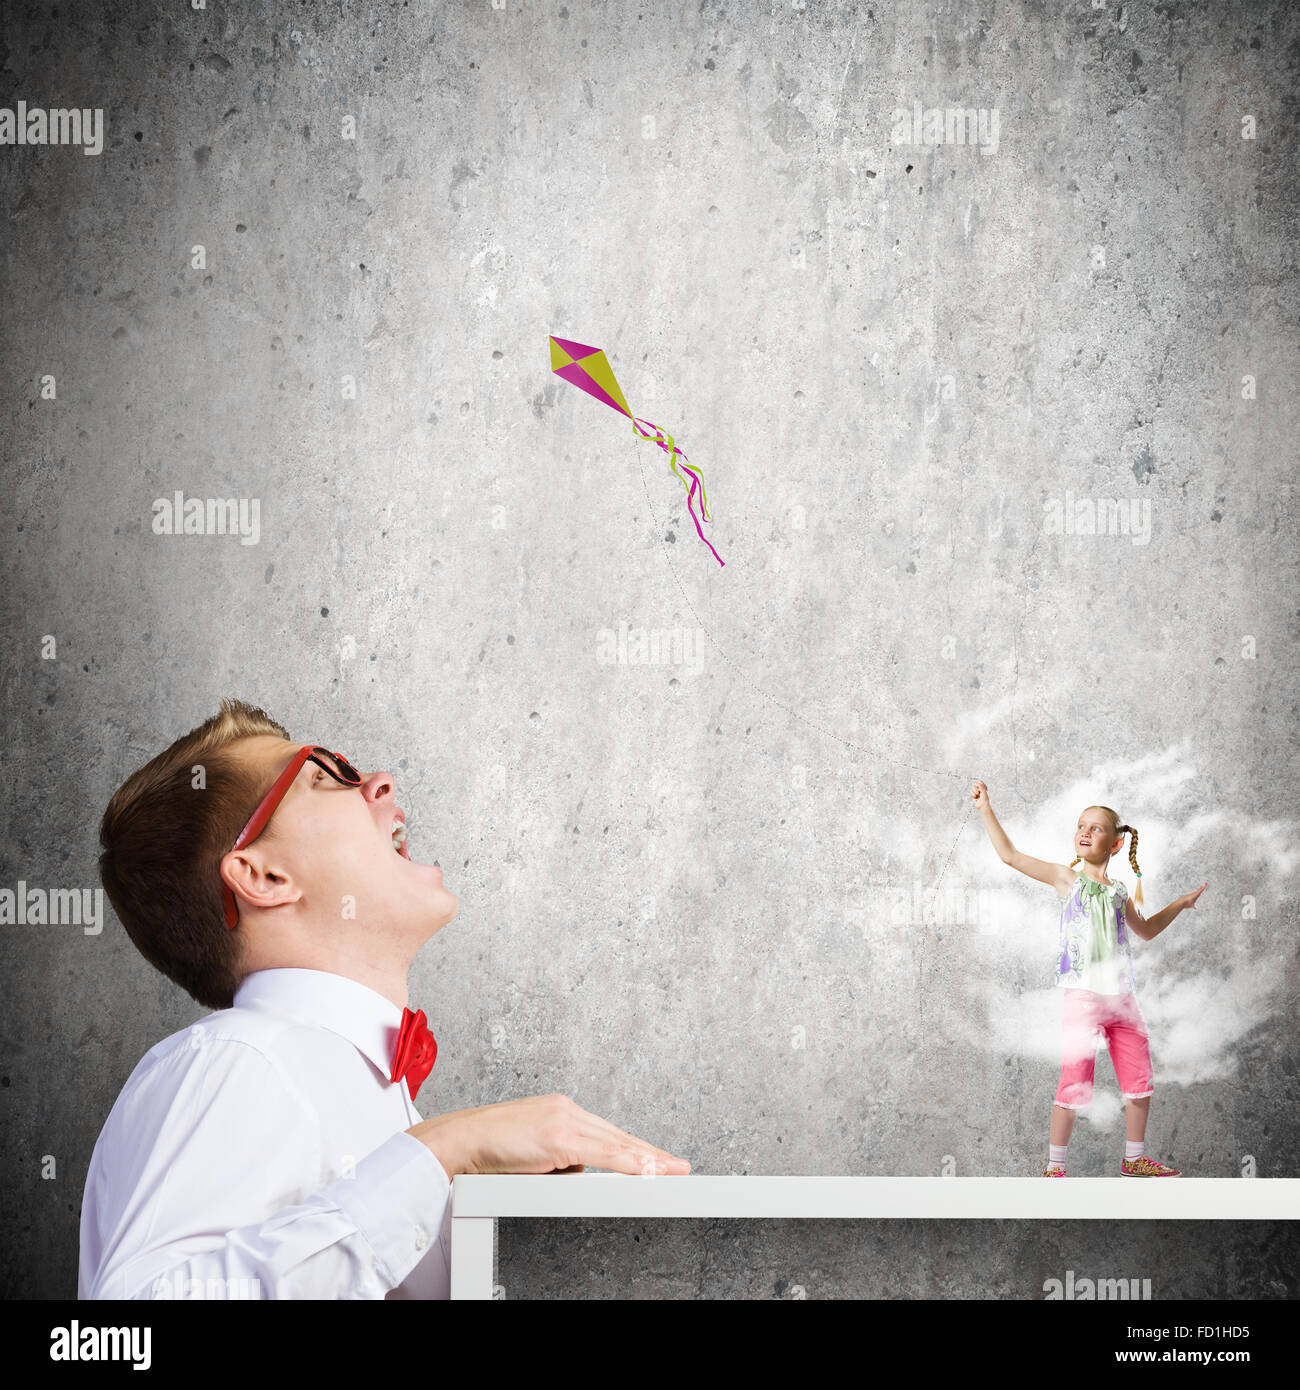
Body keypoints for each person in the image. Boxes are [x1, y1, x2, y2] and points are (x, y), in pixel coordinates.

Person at [79, 698, 689, 1299]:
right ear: (264, 877)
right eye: (327, 776)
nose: (380, 783)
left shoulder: (365, 1096)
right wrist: (446, 1151)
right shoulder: (235, 1058)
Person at [971, 780, 1206, 1178]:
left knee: (1140, 1081)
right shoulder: (1067, 879)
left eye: (1095, 828)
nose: (1084, 831)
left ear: (1115, 844)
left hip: (1123, 1001)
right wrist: (985, 809)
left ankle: (1133, 1159)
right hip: (1082, 999)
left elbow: (1145, 931)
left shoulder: (1117, 891)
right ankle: (1054, 1168)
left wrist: (1180, 905)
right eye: (1081, 825)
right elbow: (1010, 856)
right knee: (1074, 1083)